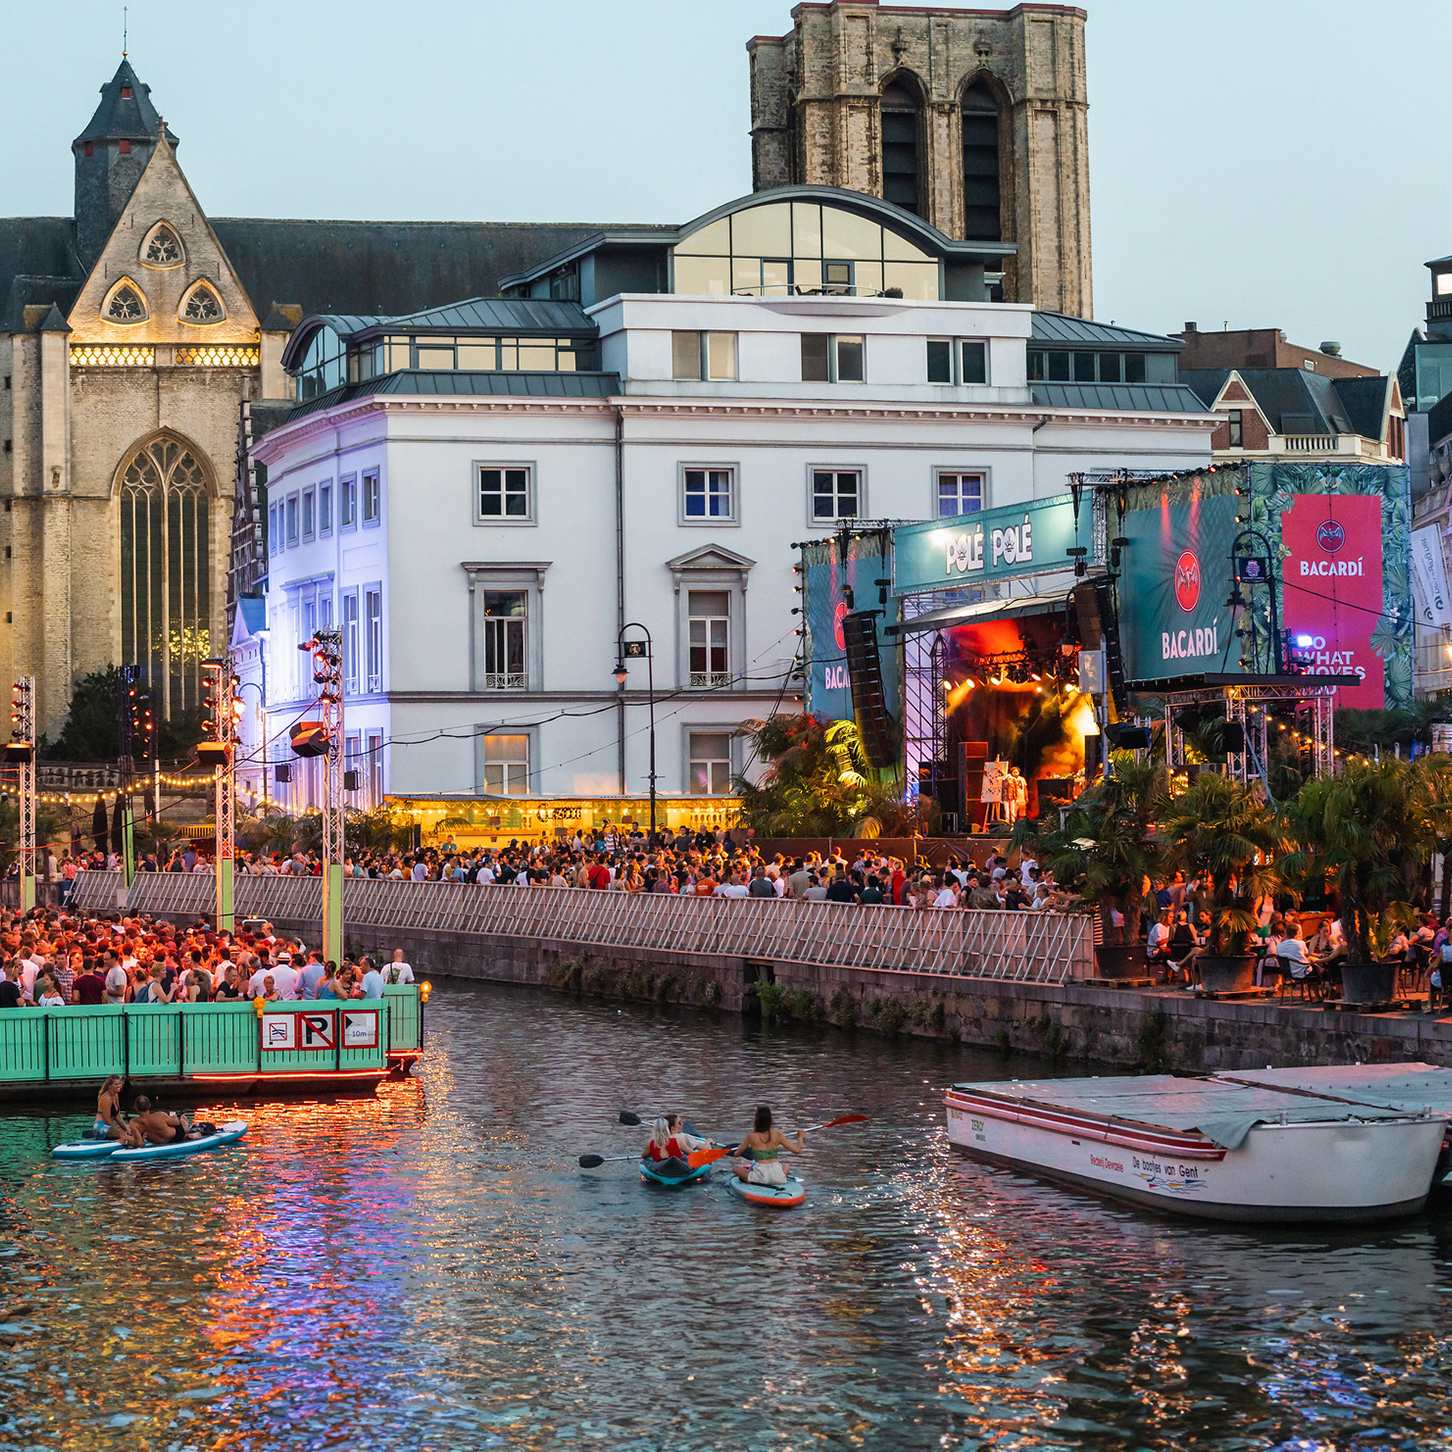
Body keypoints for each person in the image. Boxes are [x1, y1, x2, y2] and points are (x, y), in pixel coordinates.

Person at [732, 1105, 803, 1188]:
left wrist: (741, 1147)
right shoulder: (778, 1135)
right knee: (786, 1166)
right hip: (777, 1177)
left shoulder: (751, 1136)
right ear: (770, 1120)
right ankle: (775, 1179)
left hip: (760, 1177)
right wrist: (800, 1136)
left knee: (735, 1169)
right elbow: (797, 1150)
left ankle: (751, 1181)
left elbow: (736, 1154)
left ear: (756, 1120)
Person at [94, 1075, 142, 1147]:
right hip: (101, 1127)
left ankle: (134, 1138)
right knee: (121, 1132)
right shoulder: (106, 1098)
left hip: (109, 1127)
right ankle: (137, 1142)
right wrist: (117, 1130)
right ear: (110, 1086)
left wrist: (126, 1129)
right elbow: (107, 1121)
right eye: (115, 1084)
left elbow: (118, 1117)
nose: (118, 1086)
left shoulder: (116, 1095)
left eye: (119, 1083)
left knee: (131, 1127)